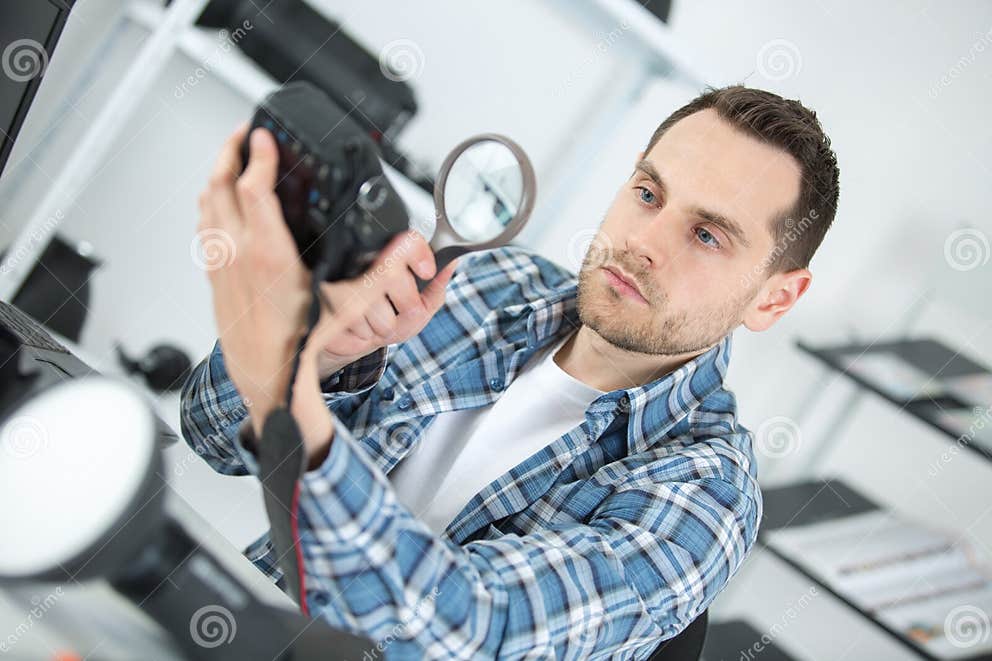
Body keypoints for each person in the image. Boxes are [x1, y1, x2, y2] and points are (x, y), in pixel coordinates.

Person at [181, 84, 840, 659]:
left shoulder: (709, 494)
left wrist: (286, 389)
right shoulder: (489, 283)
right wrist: (316, 355)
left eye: (706, 235)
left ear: (774, 297)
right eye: (647, 193)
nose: (644, 242)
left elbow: (461, 635)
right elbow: (210, 433)